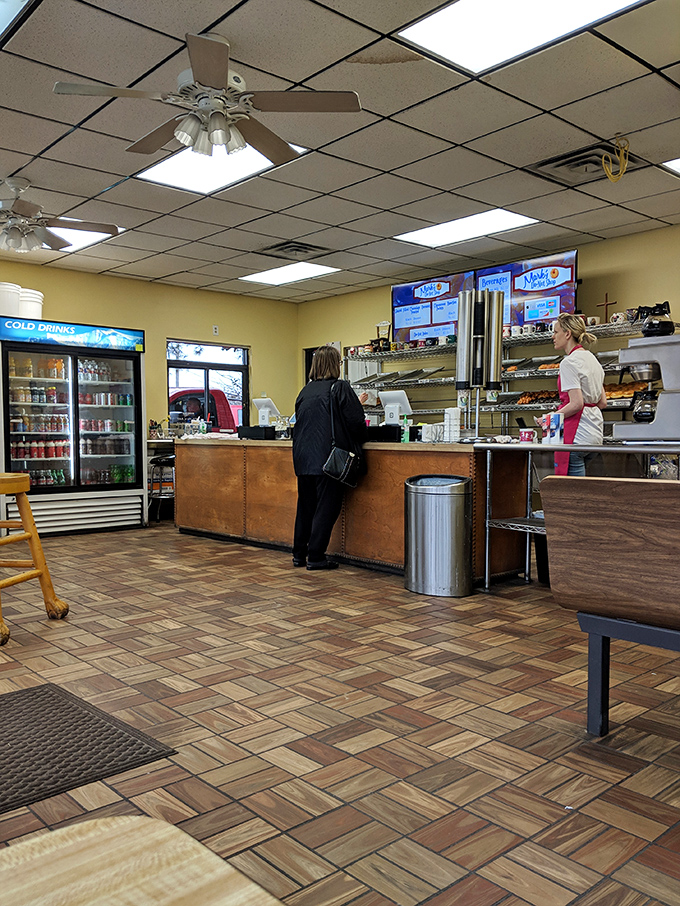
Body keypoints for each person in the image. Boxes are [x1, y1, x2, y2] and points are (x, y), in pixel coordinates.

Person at [292, 345, 368, 570]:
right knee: (327, 507)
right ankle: (316, 557)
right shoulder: (340, 387)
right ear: (335, 365)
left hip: (303, 458)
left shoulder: (305, 391)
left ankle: (299, 554)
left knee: (305, 507)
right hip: (329, 458)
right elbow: (356, 424)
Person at [540, 313, 606, 476]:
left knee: (572, 493)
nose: (553, 336)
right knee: (581, 489)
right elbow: (602, 402)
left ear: (567, 333)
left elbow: (576, 404)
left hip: (576, 436)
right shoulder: (592, 359)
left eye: (556, 332)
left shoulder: (568, 362)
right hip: (595, 436)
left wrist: (549, 418)